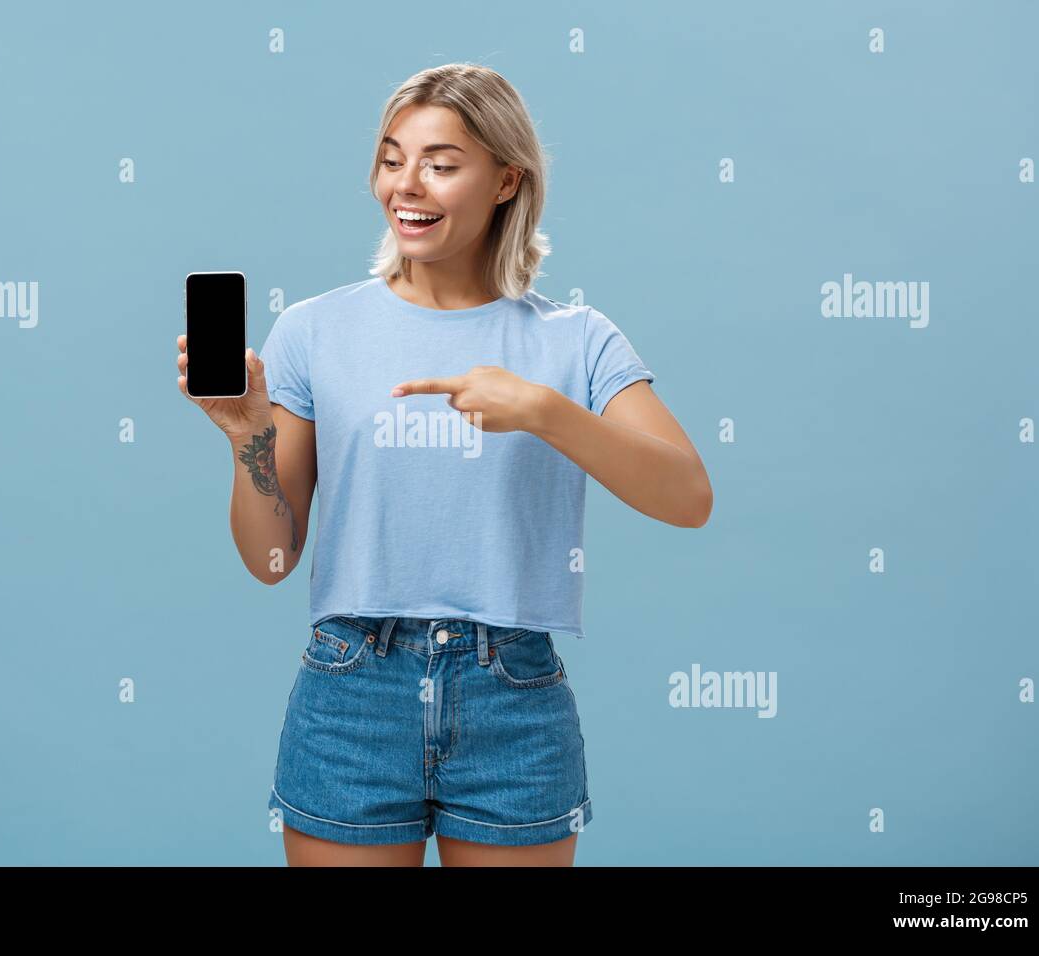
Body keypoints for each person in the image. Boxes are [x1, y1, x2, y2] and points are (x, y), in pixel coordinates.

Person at [176, 63, 712, 866]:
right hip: (352, 690)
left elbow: (688, 495)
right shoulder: (315, 331)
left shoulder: (575, 339)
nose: (406, 185)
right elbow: (270, 560)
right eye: (392, 159)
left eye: (441, 162)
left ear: (506, 179)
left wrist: (542, 410)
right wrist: (248, 438)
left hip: (513, 699)